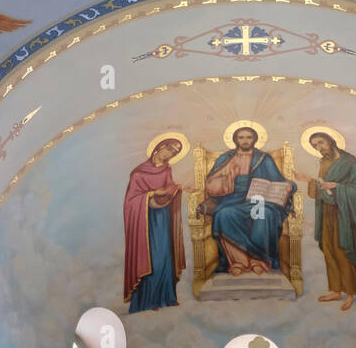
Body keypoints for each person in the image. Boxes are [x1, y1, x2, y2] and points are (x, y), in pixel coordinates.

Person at [201, 125, 294, 276]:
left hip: (260, 200)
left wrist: (291, 186)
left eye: (249, 137)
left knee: (264, 215)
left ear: (255, 139)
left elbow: (279, 180)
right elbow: (211, 183)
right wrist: (228, 177)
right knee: (224, 214)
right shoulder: (226, 158)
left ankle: (259, 261)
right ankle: (238, 262)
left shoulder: (264, 158)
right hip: (232, 200)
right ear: (235, 139)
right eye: (241, 137)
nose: (245, 141)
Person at [298, 131, 356, 312]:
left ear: (331, 141)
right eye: (315, 146)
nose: (319, 148)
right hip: (327, 212)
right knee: (329, 250)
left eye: (321, 143)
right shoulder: (324, 163)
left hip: (346, 215)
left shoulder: (351, 163)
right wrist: (311, 182)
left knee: (344, 250)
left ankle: (351, 293)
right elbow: (321, 189)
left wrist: (338, 187)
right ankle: (336, 290)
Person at [123, 138, 187, 312]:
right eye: (169, 149)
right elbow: (131, 200)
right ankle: (147, 301)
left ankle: (166, 297)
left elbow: (169, 188)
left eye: (174, 152)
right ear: (158, 147)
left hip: (163, 217)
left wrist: (177, 188)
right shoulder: (138, 173)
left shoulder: (167, 170)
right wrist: (151, 193)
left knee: (165, 256)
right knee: (150, 258)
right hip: (144, 221)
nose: (170, 154)